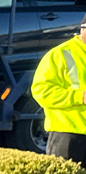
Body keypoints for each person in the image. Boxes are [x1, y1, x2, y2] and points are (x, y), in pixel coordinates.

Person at [32, 17, 86, 164]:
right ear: (83, 29)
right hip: (68, 137)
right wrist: (79, 97)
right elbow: (41, 90)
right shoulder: (61, 54)